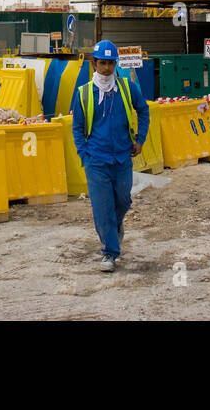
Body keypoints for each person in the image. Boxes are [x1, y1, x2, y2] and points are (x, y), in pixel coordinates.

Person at [71, 39, 149, 273]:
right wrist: (84, 153)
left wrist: (140, 139)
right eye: (102, 63)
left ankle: (114, 228)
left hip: (122, 158)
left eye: (110, 63)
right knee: (102, 207)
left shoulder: (127, 88)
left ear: (116, 63)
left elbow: (143, 110)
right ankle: (109, 253)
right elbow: (77, 126)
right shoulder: (84, 93)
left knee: (123, 201)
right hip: (96, 160)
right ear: (94, 63)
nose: (106, 68)